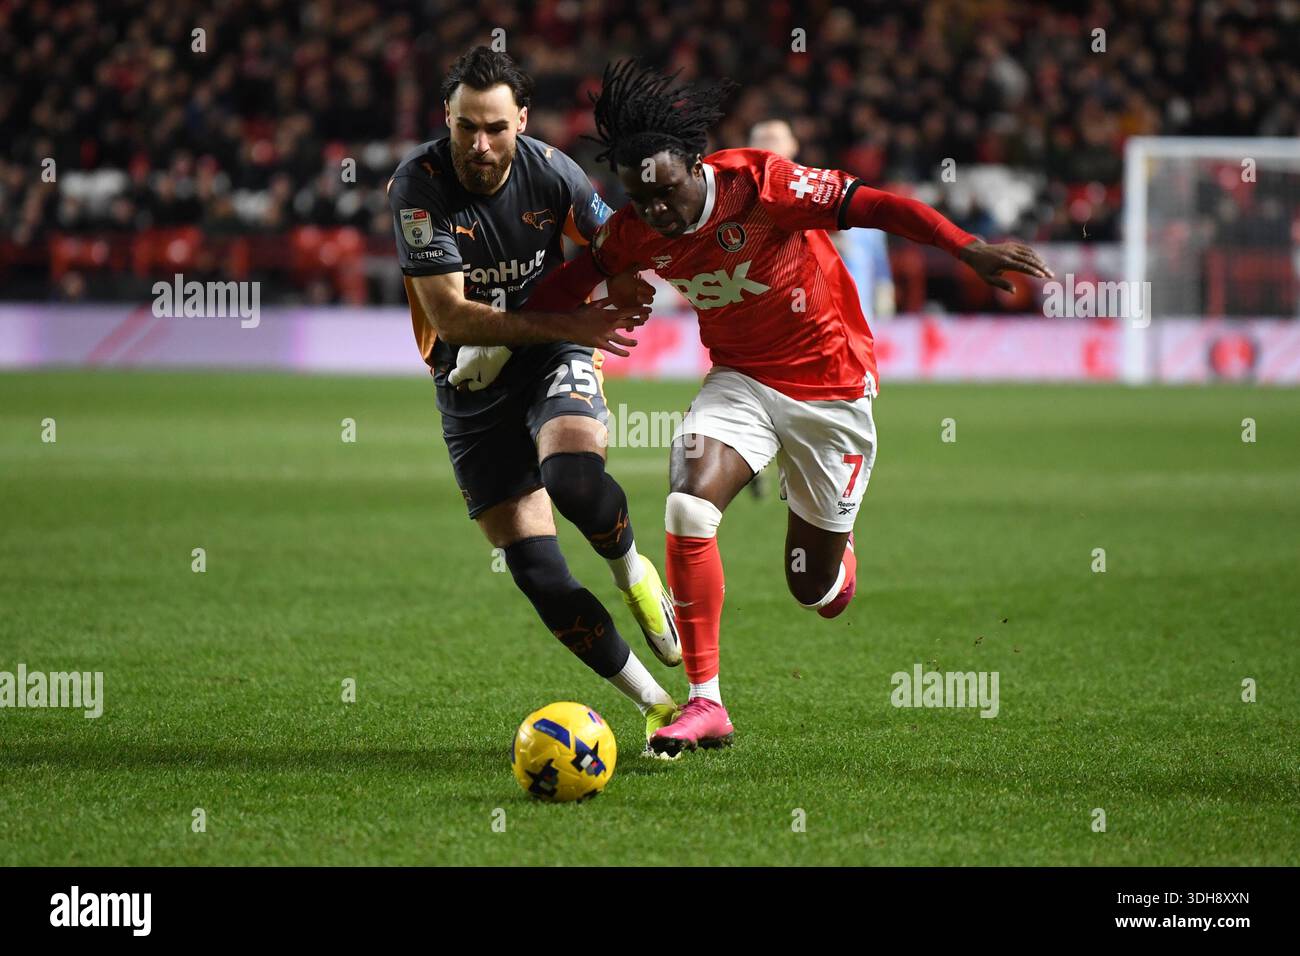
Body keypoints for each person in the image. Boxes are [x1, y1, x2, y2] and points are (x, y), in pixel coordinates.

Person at [521, 61, 1052, 755]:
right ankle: (706, 702)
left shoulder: (761, 185)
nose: (658, 213)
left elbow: (875, 206)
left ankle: (836, 558)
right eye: (641, 200)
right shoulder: (633, 230)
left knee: (814, 590)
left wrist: (967, 246)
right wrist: (498, 329)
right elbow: (572, 281)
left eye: (667, 193)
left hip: (831, 387)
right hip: (740, 379)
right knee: (687, 506)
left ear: (695, 166)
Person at [387, 48, 683, 751]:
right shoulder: (417, 188)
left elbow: (617, 240)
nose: (480, 145)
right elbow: (451, 318)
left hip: (553, 351)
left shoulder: (553, 173)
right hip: (470, 382)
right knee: (538, 572)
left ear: (521, 119)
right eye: (466, 127)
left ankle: (633, 573)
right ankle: (657, 704)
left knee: (571, 476)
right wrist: (570, 319)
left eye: (495, 128)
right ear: (447, 119)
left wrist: (623, 276)